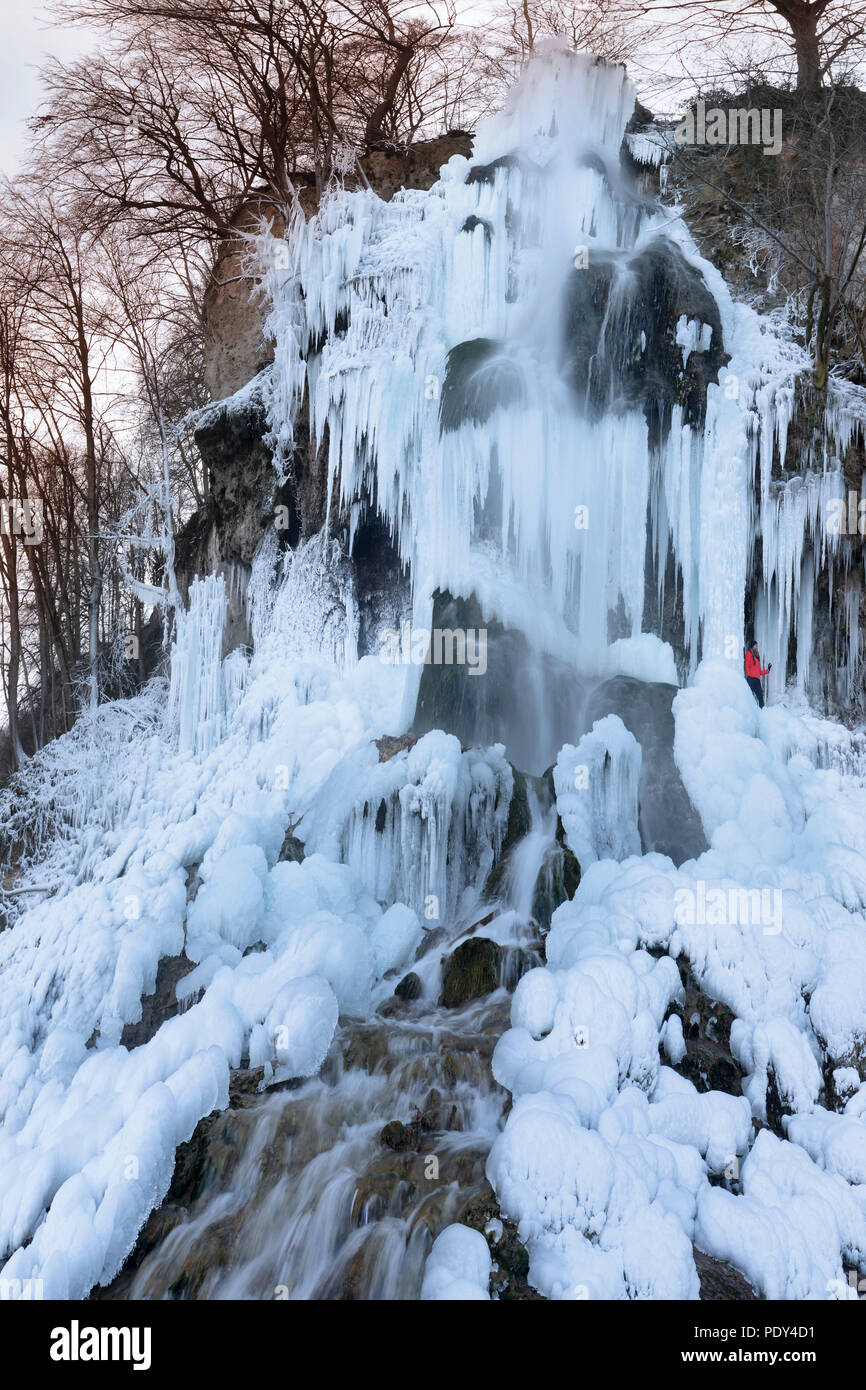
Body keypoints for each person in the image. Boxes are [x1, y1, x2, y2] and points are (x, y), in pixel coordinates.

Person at [744, 641, 771, 707]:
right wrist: (748, 677)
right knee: (748, 697)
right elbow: (747, 666)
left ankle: (762, 713)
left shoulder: (757, 657)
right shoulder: (748, 654)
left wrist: (768, 670)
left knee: (760, 698)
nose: (757, 647)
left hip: (757, 680)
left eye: (757, 645)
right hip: (751, 679)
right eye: (755, 645)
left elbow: (759, 672)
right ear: (752, 646)